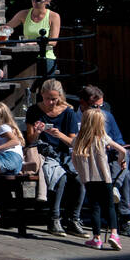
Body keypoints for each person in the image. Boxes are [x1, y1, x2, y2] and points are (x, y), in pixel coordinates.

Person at [77, 85, 130, 239]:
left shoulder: (106, 116)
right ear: (82, 103)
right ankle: (125, 216)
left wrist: (115, 150)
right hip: (86, 160)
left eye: (101, 106)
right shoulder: (75, 117)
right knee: (123, 176)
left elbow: (118, 141)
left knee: (126, 158)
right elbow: (74, 144)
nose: (99, 110)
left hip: (107, 156)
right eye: (94, 106)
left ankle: (114, 190)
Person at [25, 78, 84, 236]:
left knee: (80, 179)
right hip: (44, 152)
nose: (50, 102)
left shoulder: (68, 112)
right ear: (41, 95)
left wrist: (59, 135)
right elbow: (30, 141)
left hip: (64, 152)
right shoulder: (33, 111)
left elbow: (72, 141)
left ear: (60, 97)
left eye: (54, 99)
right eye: (47, 98)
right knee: (60, 176)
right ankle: (54, 219)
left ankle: (74, 219)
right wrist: (37, 132)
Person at [73, 108, 126, 250]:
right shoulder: (103, 137)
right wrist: (121, 161)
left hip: (89, 179)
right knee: (109, 206)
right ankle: (114, 234)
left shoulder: (77, 140)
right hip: (105, 178)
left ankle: (96, 239)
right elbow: (123, 150)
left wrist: (81, 172)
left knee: (94, 207)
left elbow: (74, 160)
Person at [4, 0, 60, 74]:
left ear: (47, 1)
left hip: (45, 57)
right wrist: (4, 30)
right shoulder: (23, 14)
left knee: (45, 86)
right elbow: (6, 28)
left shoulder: (54, 17)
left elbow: (53, 42)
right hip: (26, 55)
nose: (34, 2)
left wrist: (33, 43)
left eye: (38, 0)